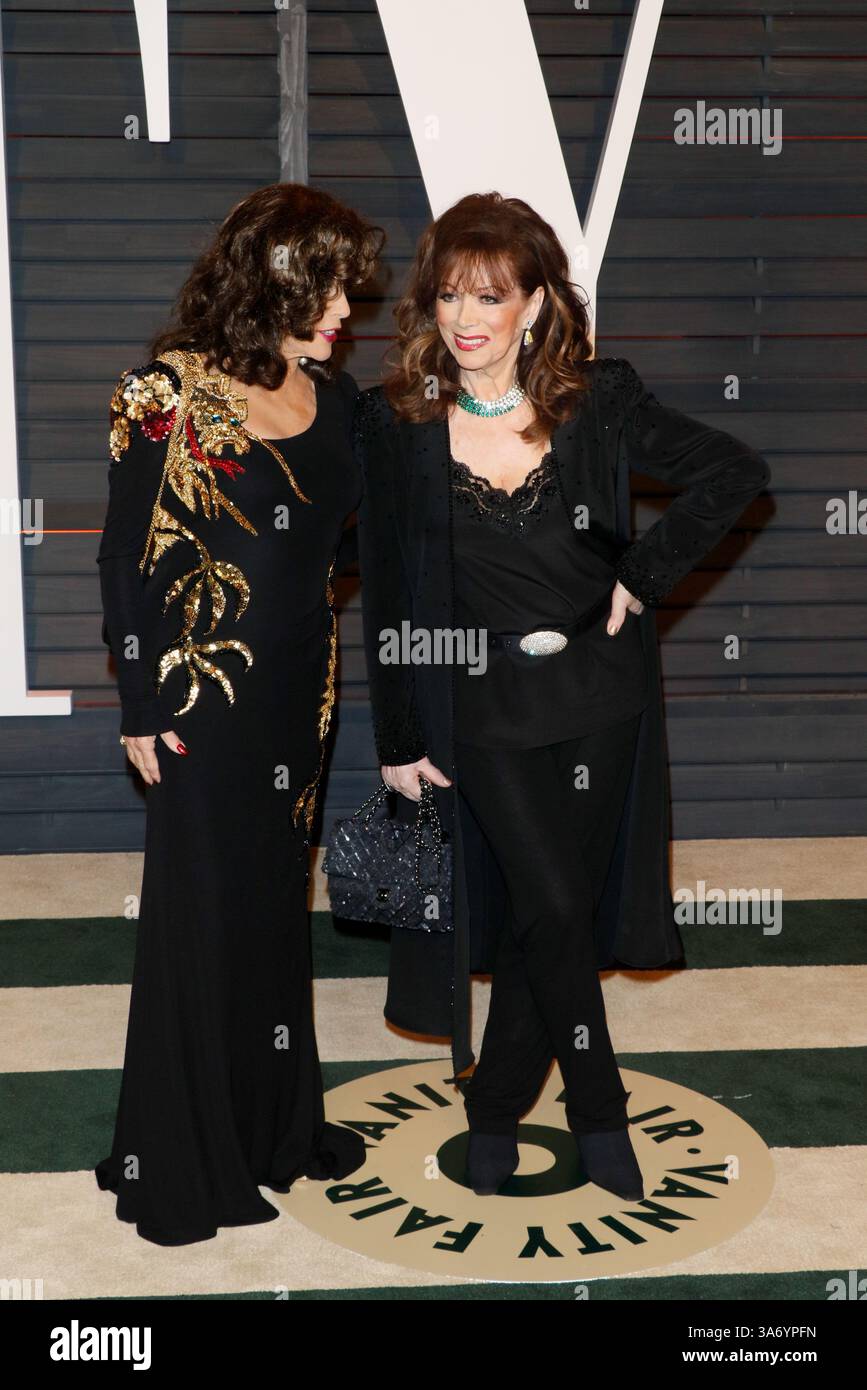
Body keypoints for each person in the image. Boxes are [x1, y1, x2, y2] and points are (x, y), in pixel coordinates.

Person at [354, 191, 771, 1200]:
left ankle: (497, 1108)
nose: (466, 318)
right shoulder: (397, 423)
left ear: (535, 303)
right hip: (480, 702)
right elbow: (391, 592)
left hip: (599, 693)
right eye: (450, 294)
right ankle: (598, 1107)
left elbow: (734, 472)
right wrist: (399, 733)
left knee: (557, 917)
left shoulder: (598, 401)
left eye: (490, 296)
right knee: (547, 900)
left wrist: (645, 572)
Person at [94, 183, 383, 1244]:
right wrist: (137, 700)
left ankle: (272, 1126)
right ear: (273, 282)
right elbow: (123, 556)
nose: (346, 311)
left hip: (301, 697)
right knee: (203, 912)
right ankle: (183, 1156)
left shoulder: (336, 400)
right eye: (329, 289)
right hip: (198, 699)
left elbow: (352, 540)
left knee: (270, 908)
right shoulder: (162, 392)